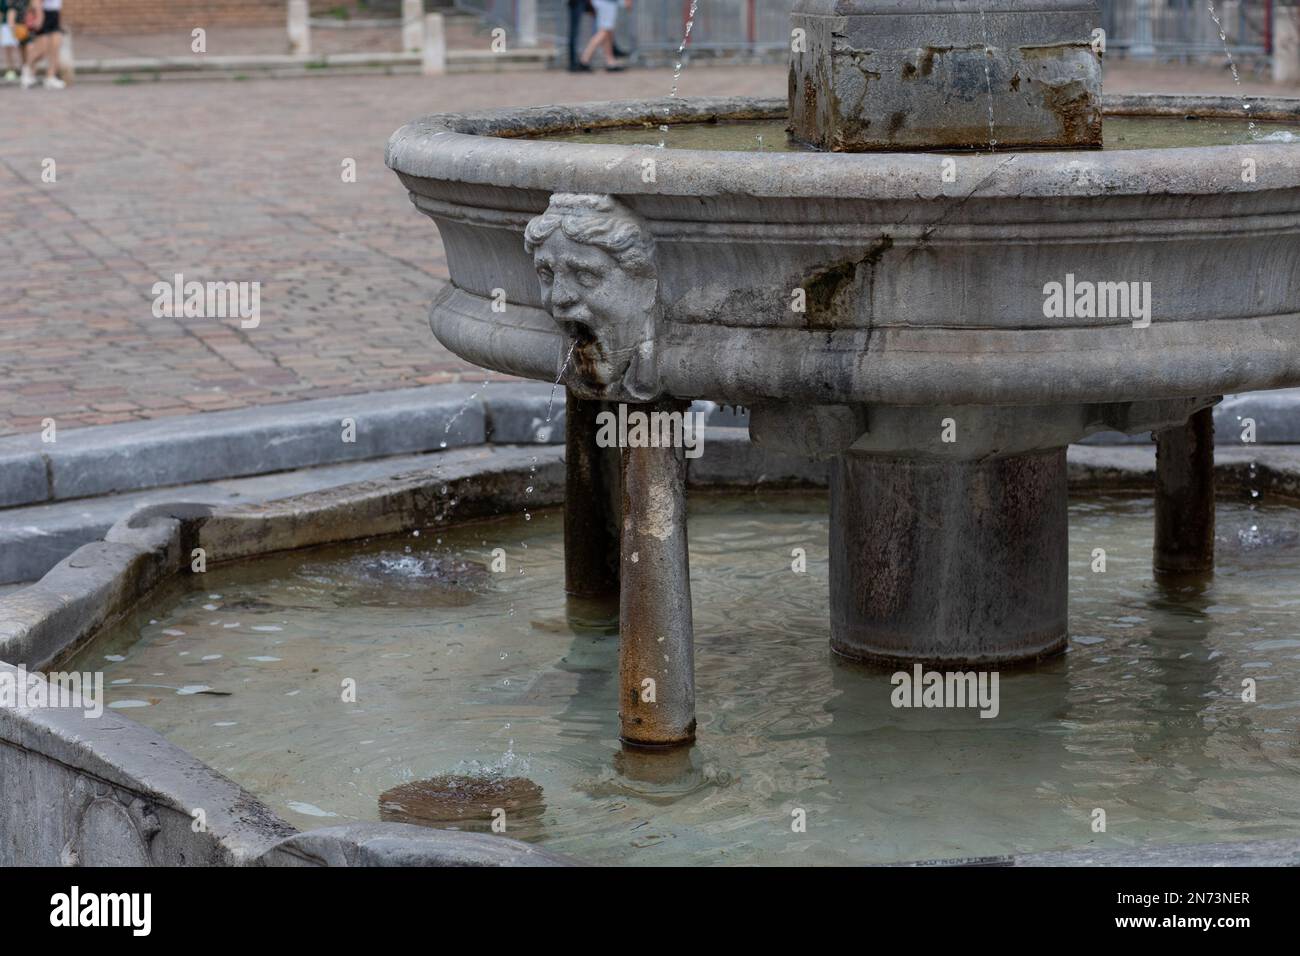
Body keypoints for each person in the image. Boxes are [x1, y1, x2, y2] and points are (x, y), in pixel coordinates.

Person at [20, 0, 63, 90]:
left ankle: (50, 77)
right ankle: (26, 70)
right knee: (42, 50)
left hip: (54, 14)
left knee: (55, 48)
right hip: (44, 14)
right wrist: (40, 16)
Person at [579, 0, 631, 72]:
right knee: (604, 31)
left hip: (606, 3)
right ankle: (584, 59)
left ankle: (610, 62)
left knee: (607, 32)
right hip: (607, 3)